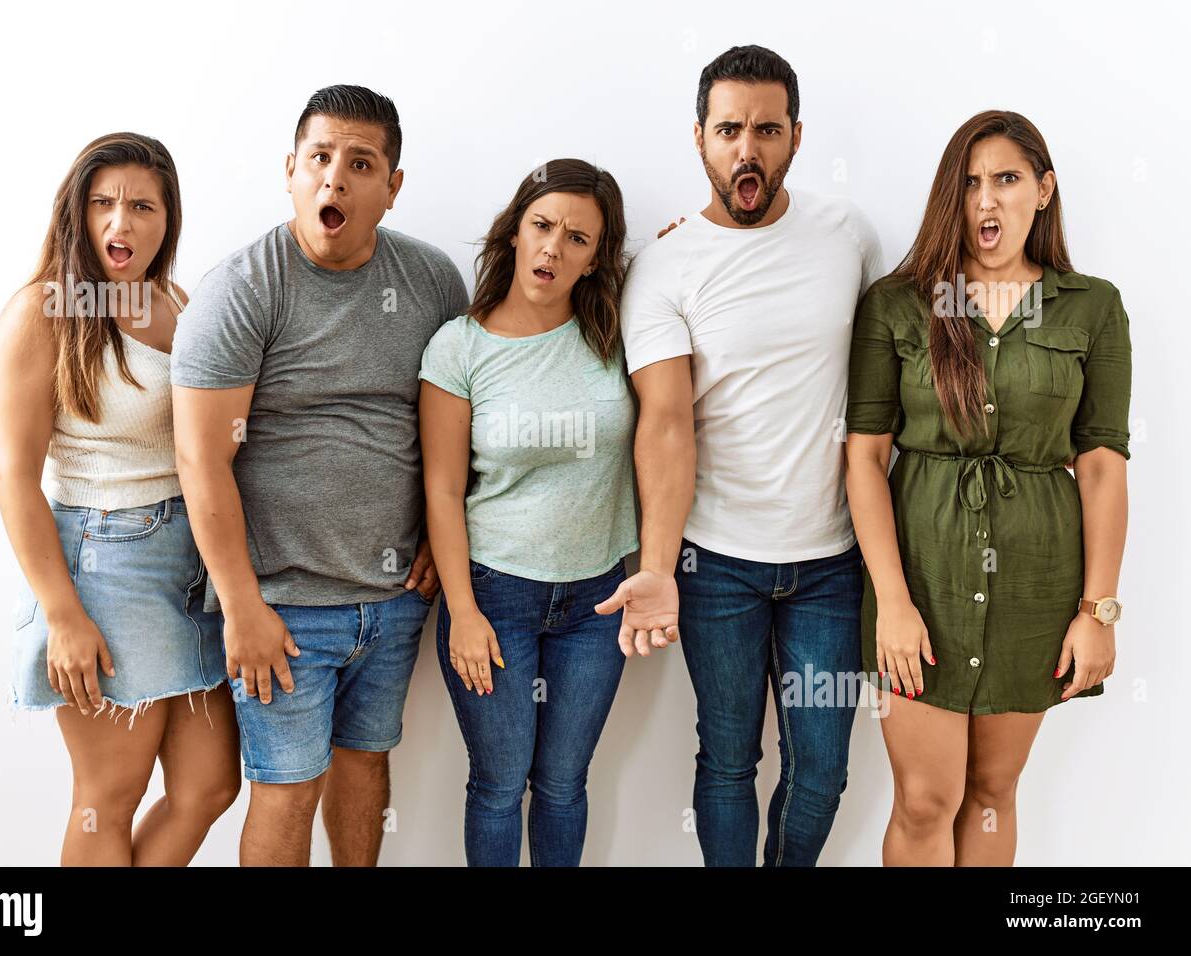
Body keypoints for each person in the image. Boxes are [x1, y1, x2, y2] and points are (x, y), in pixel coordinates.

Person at [597, 44, 884, 866]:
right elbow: (664, 424)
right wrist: (657, 563)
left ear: (796, 136)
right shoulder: (663, 267)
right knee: (728, 761)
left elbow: (895, 351)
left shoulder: (847, 234)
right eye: (729, 130)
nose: (747, 149)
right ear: (699, 138)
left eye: (766, 129)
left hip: (831, 562)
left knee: (822, 771)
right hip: (716, 563)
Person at [170, 85, 469, 867]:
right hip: (284, 606)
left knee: (366, 765)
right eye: (320, 158)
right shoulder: (243, 286)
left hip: (395, 599)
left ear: (392, 185)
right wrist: (240, 604)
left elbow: (461, 420)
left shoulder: (433, 282)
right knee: (287, 787)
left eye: (360, 163)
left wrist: (447, 539)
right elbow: (201, 458)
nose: (335, 179)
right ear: (291, 170)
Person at [845, 110, 1132, 866]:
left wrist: (1097, 611)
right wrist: (894, 602)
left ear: (1043, 190)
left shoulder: (1092, 307)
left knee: (993, 794)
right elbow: (864, 459)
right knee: (924, 800)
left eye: (1006, 179)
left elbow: (1102, 462)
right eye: (969, 183)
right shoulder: (900, 303)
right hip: (921, 582)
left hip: (1036, 591)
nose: (985, 201)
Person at [0, 132, 239, 865]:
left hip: (190, 568)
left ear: (168, 219)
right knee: (108, 800)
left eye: (140, 205)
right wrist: (64, 616)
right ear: (76, 211)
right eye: (102, 203)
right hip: (103, 565)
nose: (119, 223)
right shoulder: (41, 313)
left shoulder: (174, 301)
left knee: (210, 785)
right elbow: (13, 476)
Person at [419, 159, 636, 866]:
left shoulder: (619, 331)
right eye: (542, 226)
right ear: (514, 232)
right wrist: (464, 612)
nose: (553, 248)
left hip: (598, 601)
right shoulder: (460, 346)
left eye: (577, 238)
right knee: (499, 785)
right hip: (493, 595)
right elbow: (443, 491)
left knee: (564, 785)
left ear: (597, 256)